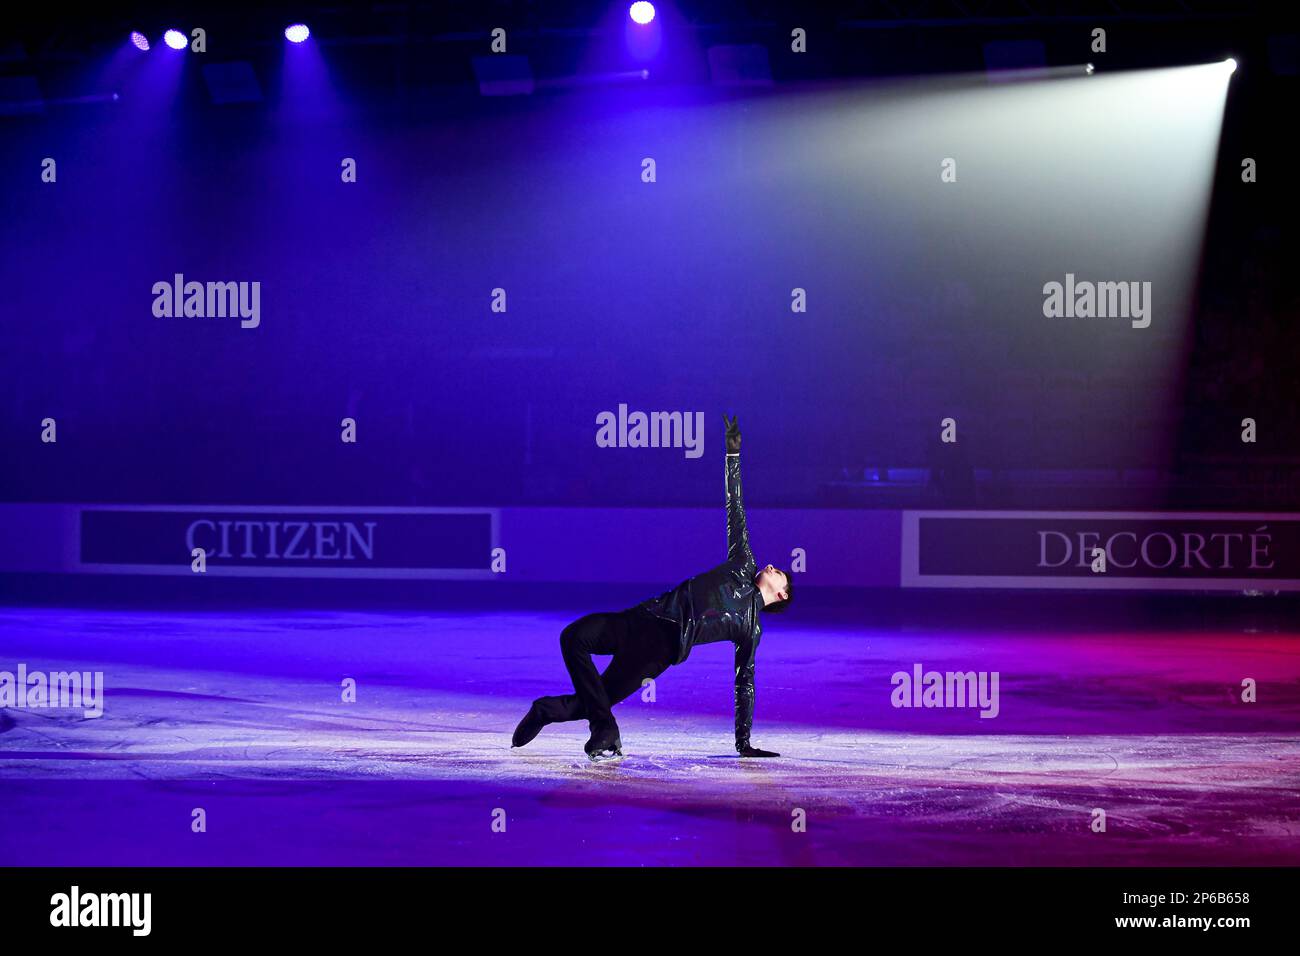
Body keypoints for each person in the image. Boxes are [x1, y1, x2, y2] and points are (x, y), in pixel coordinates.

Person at [512, 414, 792, 762]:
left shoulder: (751, 628)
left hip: (660, 648)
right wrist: (732, 457)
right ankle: (604, 729)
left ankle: (548, 711)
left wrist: (744, 742)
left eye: (779, 573)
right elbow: (736, 511)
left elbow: (744, 684)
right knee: (574, 637)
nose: (772, 566)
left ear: (781, 595)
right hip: (643, 617)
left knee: (597, 699)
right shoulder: (743, 563)